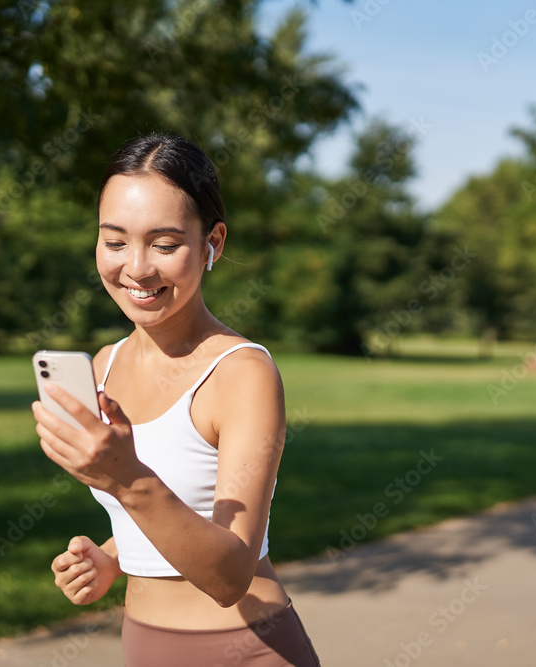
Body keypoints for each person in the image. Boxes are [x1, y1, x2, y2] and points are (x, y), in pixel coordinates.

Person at [31, 134, 321, 666]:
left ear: (214, 241)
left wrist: (126, 479)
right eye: (115, 242)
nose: (137, 268)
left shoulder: (241, 373)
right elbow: (177, 509)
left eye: (164, 245)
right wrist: (113, 557)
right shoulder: (104, 365)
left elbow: (230, 575)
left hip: (246, 649)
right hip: (144, 644)